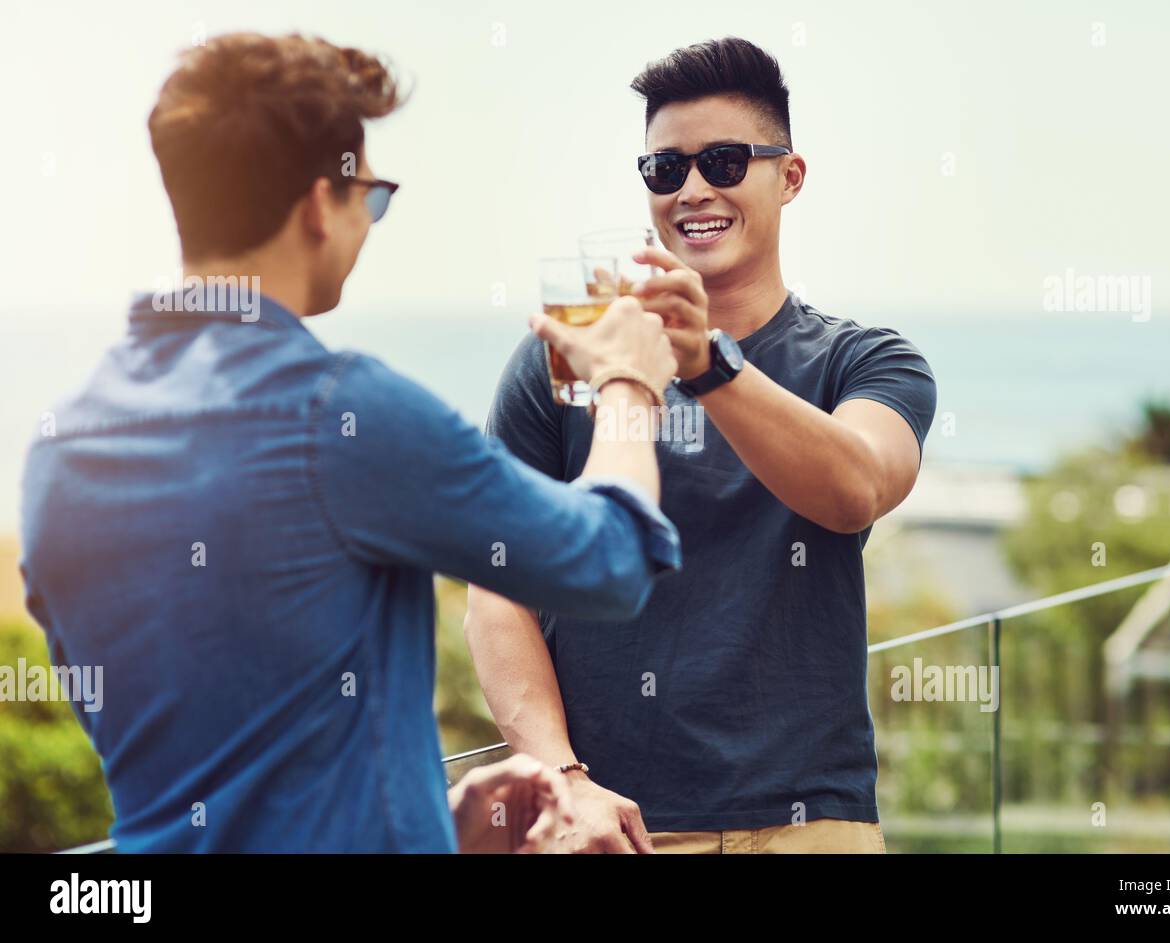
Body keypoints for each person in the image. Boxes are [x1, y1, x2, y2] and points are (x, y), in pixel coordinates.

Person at [19, 32, 680, 853]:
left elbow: (205, 751)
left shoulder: (61, 450)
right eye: (372, 196)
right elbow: (612, 561)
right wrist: (629, 382)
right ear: (316, 205)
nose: (369, 224)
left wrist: (427, 821)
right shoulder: (340, 413)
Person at [466, 37, 938, 854]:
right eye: (665, 169)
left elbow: (856, 485)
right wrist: (564, 780)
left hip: (811, 822)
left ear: (789, 176)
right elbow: (497, 586)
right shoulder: (569, 359)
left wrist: (709, 364)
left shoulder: (862, 359)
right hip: (615, 825)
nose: (692, 190)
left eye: (723, 161)